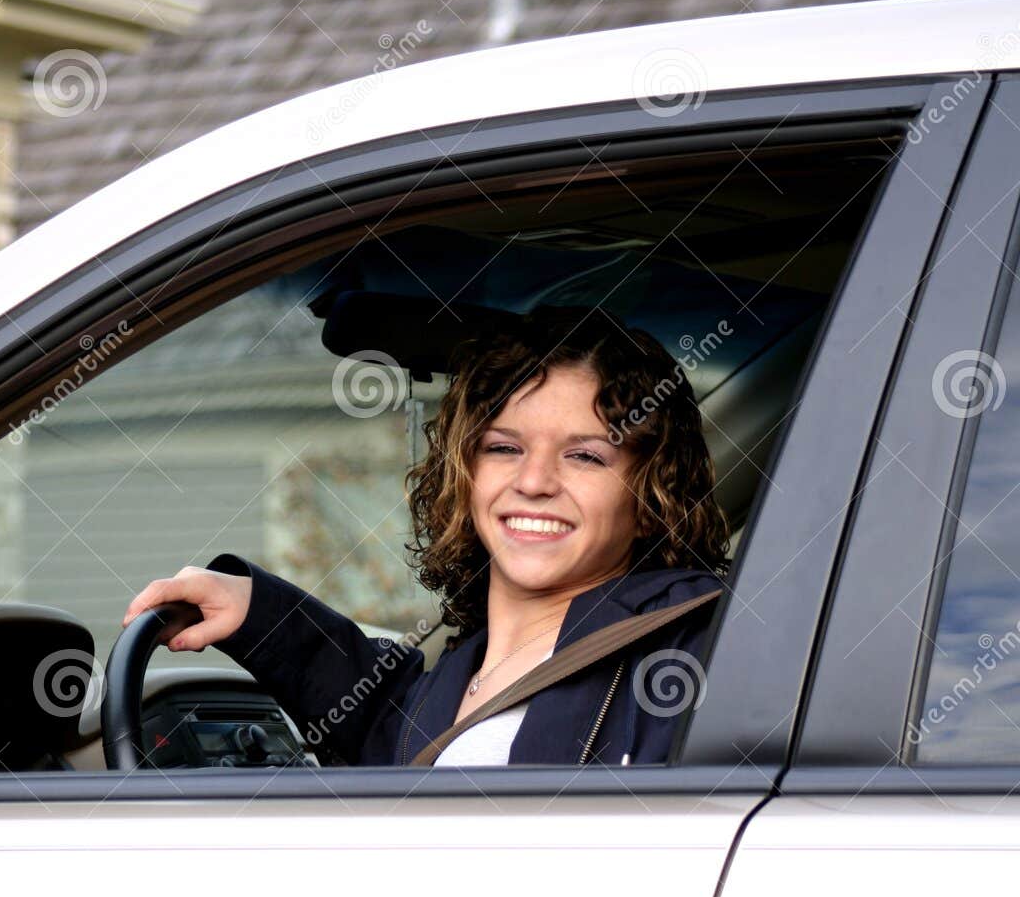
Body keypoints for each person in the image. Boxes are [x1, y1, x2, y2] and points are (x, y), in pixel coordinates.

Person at [121, 306, 731, 767]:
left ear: (651, 497)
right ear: (464, 474)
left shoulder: (700, 646)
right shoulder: (458, 675)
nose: (535, 481)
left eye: (586, 457)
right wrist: (260, 614)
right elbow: (395, 733)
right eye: (503, 448)